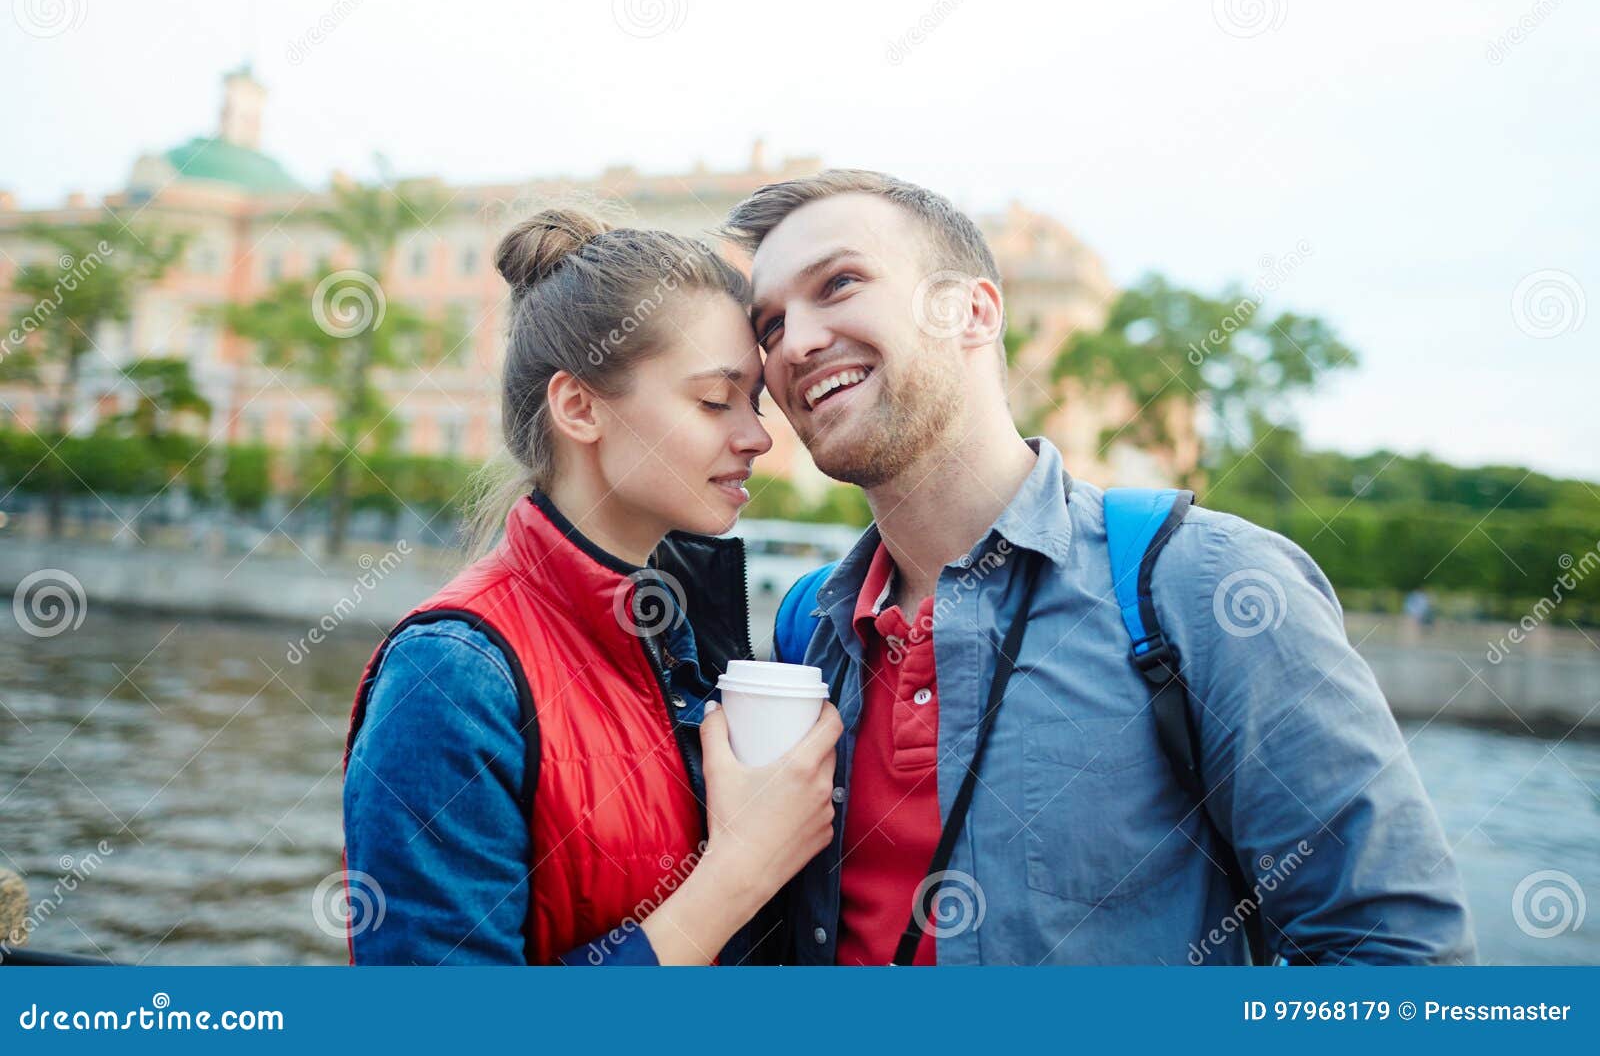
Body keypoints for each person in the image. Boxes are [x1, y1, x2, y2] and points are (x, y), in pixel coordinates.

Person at [721, 170, 1477, 965]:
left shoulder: (1206, 584)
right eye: (769, 326)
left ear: (973, 311)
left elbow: (1402, 961)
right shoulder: (809, 626)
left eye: (838, 283)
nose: (795, 344)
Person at [342, 209, 841, 965]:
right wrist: (739, 872)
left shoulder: (691, 638)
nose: (757, 437)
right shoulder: (450, 676)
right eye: (715, 401)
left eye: (756, 403)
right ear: (578, 407)